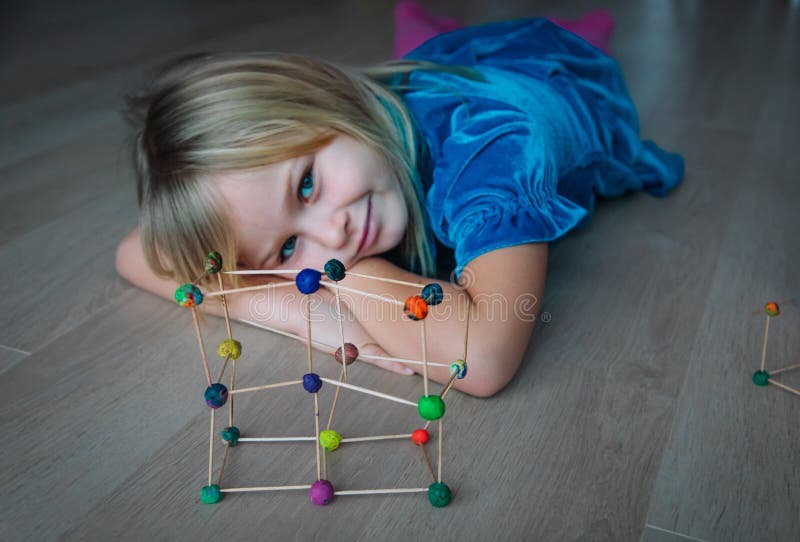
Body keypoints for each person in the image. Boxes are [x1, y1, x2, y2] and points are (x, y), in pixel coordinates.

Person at [115, 9, 684, 398]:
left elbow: (480, 357)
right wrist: (294, 312)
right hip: (422, 90)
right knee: (428, 58)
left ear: (323, 96)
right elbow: (136, 253)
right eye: (289, 245)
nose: (333, 235)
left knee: (556, 47)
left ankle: (580, 30)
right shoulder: (349, 154)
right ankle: (425, 36)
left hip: (551, 86)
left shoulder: (492, 149)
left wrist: (352, 279)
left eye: (307, 185)